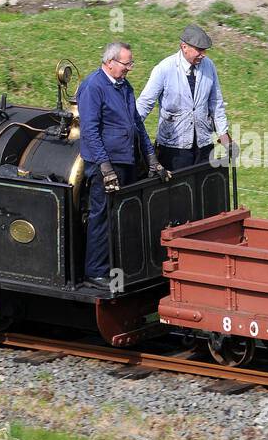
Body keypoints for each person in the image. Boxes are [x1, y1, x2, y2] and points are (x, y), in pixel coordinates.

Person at [77, 41, 167, 288]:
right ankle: (95, 272)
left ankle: (119, 270)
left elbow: (137, 124)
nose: (129, 68)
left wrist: (151, 158)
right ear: (110, 62)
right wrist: (105, 168)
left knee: (123, 216)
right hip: (105, 165)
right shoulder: (93, 87)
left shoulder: (125, 87)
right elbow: (90, 131)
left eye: (130, 63)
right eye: (126, 64)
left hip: (126, 161)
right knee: (102, 216)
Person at [136, 23, 232, 174]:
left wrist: (223, 134)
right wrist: (128, 130)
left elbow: (216, 103)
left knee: (203, 189)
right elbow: (145, 103)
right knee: (177, 194)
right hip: (173, 147)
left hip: (203, 144)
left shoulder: (209, 66)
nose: (203, 54)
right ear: (184, 47)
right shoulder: (164, 68)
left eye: (204, 50)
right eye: (199, 50)